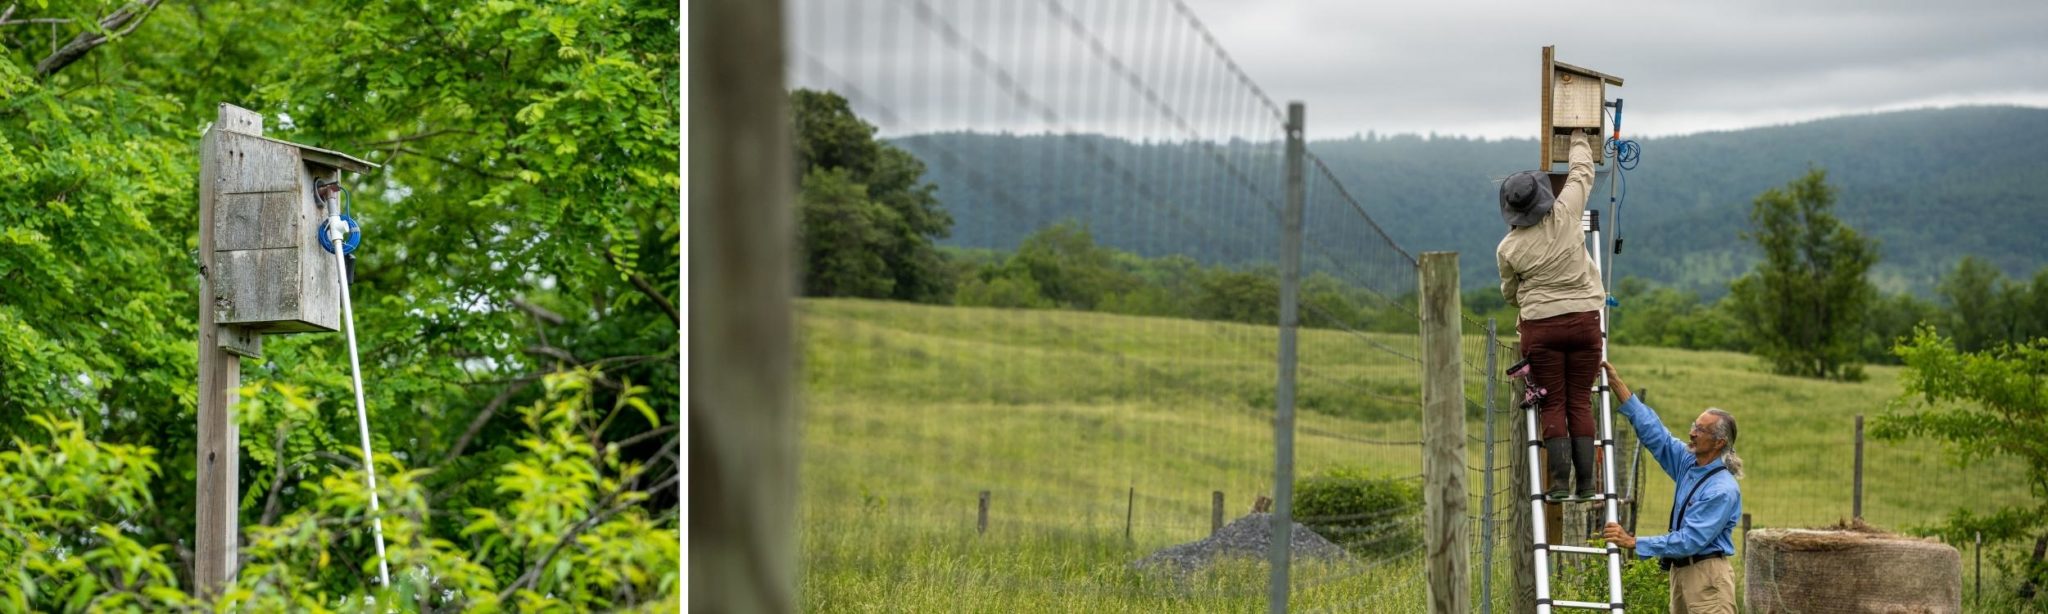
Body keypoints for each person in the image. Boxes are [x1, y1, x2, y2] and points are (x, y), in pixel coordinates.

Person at [1496, 130, 1605, 500]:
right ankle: (1587, 485)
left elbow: (1510, 294)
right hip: (1586, 322)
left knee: (1553, 402)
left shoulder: (1508, 248)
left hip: (1540, 329)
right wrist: (1577, 135)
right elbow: (1581, 173)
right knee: (1579, 400)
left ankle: (1559, 484)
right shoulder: (1566, 214)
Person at [1598, 361, 1744, 614]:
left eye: (1701, 429)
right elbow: (1657, 435)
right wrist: (1617, 385)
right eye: (1693, 425)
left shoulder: (1722, 490)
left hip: (1707, 579)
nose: (1692, 433)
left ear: (1719, 442)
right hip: (1681, 573)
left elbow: (1690, 540)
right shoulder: (1689, 462)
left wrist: (1634, 542)